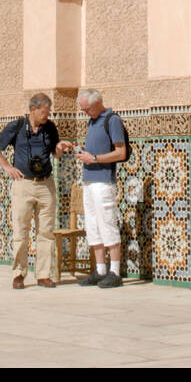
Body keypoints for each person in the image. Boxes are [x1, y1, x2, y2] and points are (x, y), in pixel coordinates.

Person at [0, 93, 67, 289]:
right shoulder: (17, 126)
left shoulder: (50, 127)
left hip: (46, 184)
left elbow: (55, 154)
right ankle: (18, 274)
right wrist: (7, 167)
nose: (47, 116)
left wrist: (60, 147)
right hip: (23, 184)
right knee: (21, 231)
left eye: (48, 112)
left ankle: (43, 275)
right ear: (33, 110)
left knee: (46, 232)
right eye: (44, 112)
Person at [74, 88, 126, 288]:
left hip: (103, 181)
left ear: (97, 104)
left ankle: (114, 271)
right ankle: (100, 269)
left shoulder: (111, 120)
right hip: (89, 181)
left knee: (107, 223)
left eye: (87, 109)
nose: (86, 113)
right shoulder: (92, 121)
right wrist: (83, 153)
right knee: (93, 226)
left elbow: (121, 152)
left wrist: (94, 159)